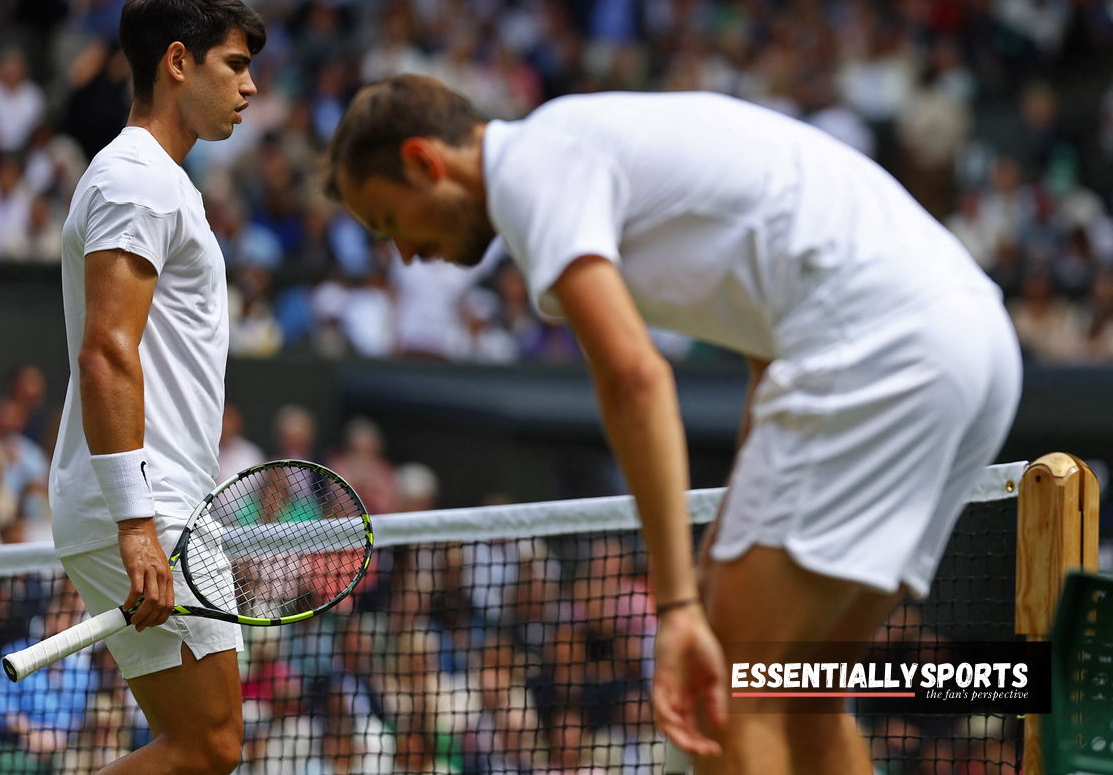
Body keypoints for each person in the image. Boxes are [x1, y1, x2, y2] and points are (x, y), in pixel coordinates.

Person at [318, 75, 1023, 774]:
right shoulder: (586, 146)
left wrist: (681, 601)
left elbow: (634, 378)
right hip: (972, 341)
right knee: (804, 692)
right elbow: (762, 349)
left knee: (722, 691)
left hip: (881, 345)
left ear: (423, 161)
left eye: (389, 221)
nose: (405, 252)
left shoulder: (534, 166)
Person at [49, 0, 264, 774]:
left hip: (147, 498)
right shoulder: (136, 177)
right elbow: (107, 349)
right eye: (234, 64)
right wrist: (138, 523)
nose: (250, 86)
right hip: (145, 504)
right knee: (208, 746)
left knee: (203, 746)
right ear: (178, 61)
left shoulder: (158, 180)